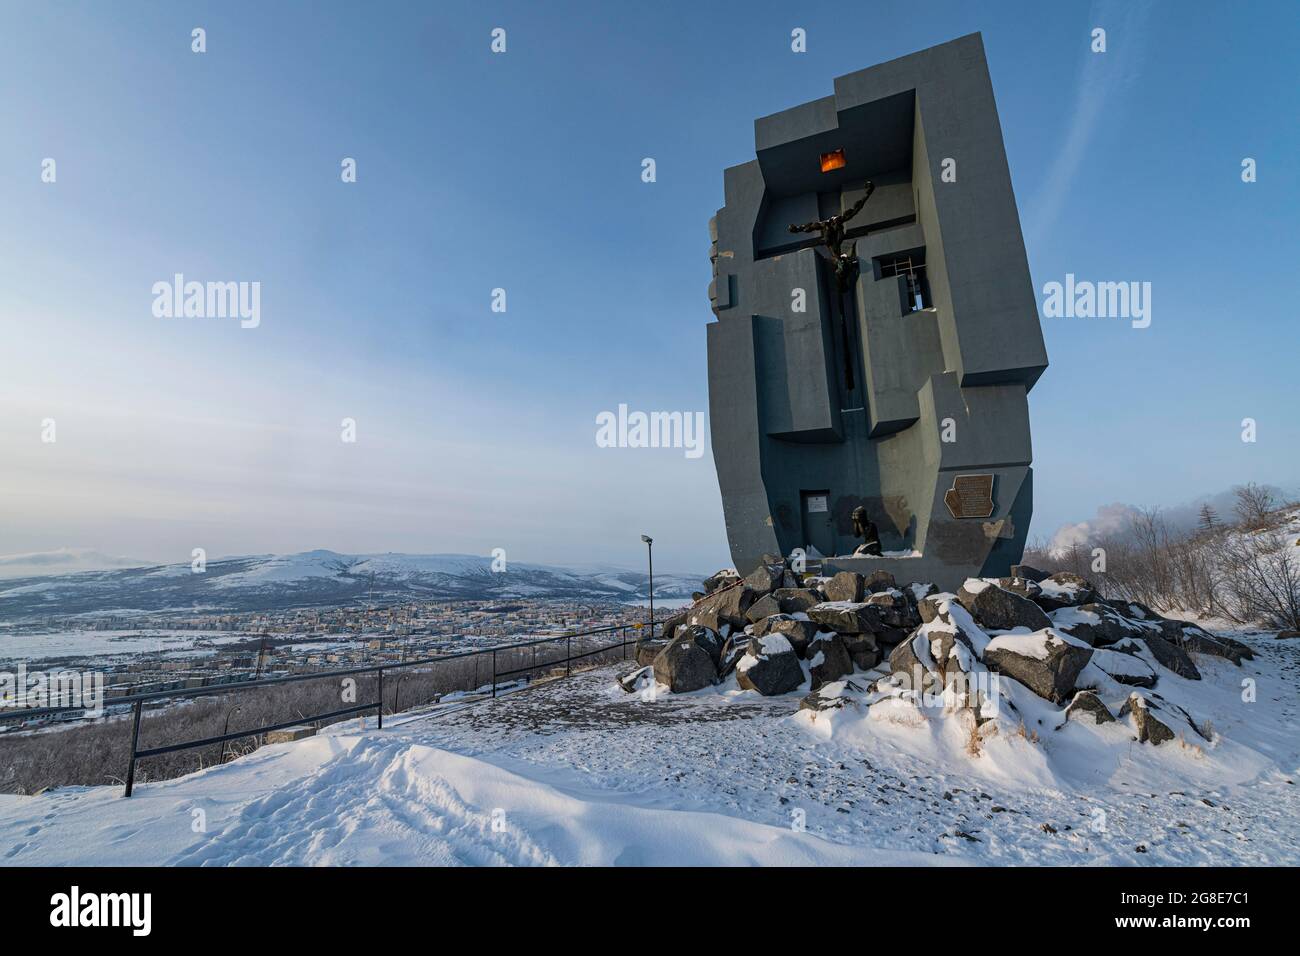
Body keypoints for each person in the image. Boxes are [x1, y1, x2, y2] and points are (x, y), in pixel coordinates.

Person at [787, 181, 875, 292]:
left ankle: (842, 276)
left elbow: (856, 209)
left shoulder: (837, 222)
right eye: (835, 222)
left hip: (836, 247)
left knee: (839, 257)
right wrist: (797, 229)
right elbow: (808, 227)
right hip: (834, 248)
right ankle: (842, 279)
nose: (835, 222)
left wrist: (868, 194)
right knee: (837, 256)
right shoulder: (825, 225)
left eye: (836, 222)